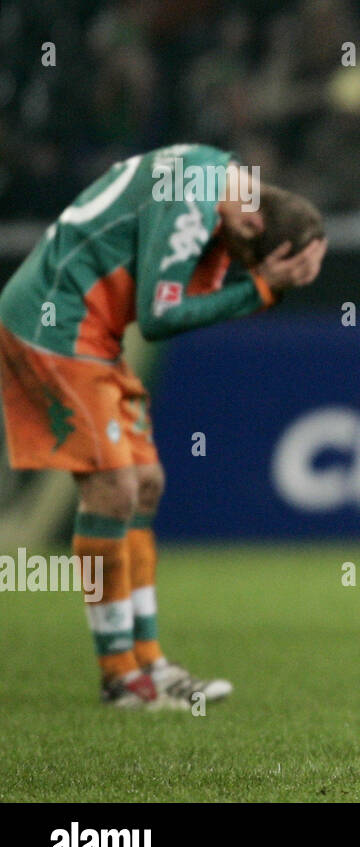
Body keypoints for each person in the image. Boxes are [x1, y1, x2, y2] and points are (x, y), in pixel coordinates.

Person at [0, 144, 326, 708]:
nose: (243, 268)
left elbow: (189, 298)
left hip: (92, 335)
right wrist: (262, 287)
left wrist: (263, 279)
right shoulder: (195, 198)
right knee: (113, 488)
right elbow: (159, 316)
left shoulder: (219, 187)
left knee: (145, 483)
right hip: (53, 321)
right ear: (252, 221)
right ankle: (120, 676)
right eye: (251, 258)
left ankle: (150, 663)